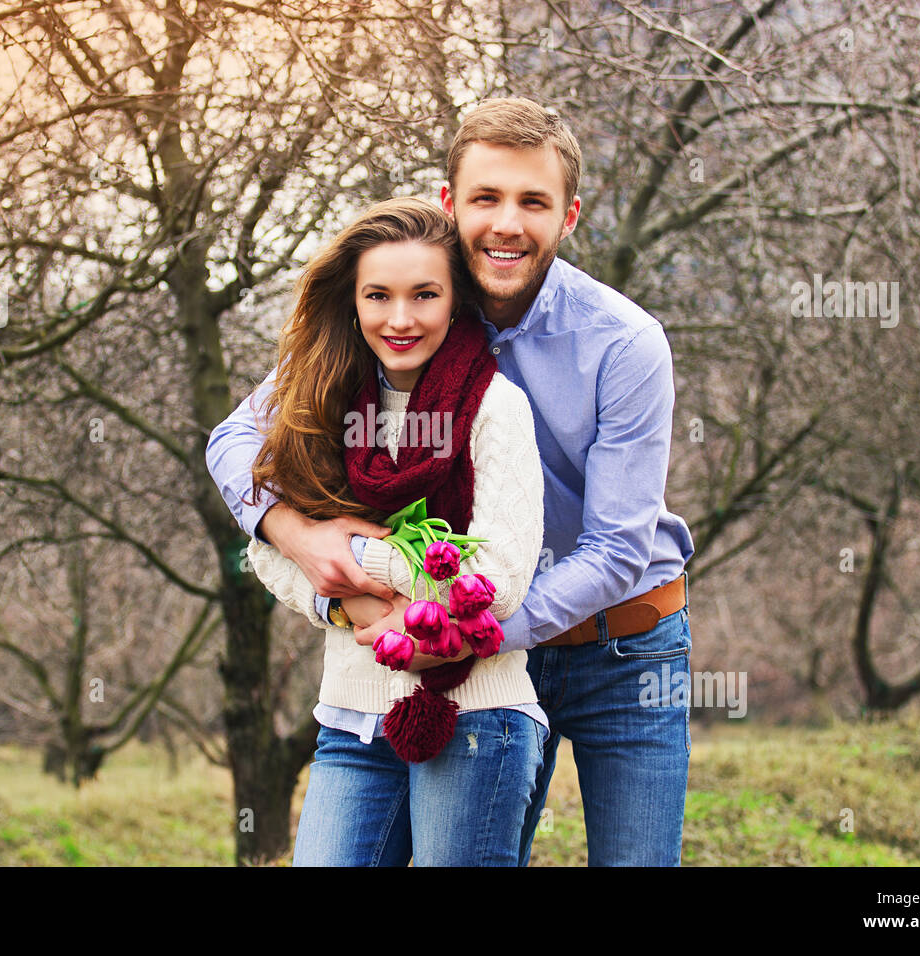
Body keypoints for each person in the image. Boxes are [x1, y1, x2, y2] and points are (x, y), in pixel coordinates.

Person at [208, 98, 695, 866]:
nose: (507, 224)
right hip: (466, 647)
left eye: (532, 202)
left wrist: (464, 634)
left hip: (619, 647)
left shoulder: (625, 343)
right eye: (486, 198)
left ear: (568, 216)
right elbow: (234, 438)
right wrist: (294, 532)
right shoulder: (414, 304)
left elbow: (617, 548)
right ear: (450, 203)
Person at [233, 196, 548, 866]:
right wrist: (342, 604)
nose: (399, 319)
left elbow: (497, 580)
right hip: (350, 716)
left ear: (455, 298)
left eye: (424, 295)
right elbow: (266, 546)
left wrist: (351, 558)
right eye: (378, 296)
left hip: (478, 717)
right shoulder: (318, 402)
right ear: (351, 301)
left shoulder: (496, 406)